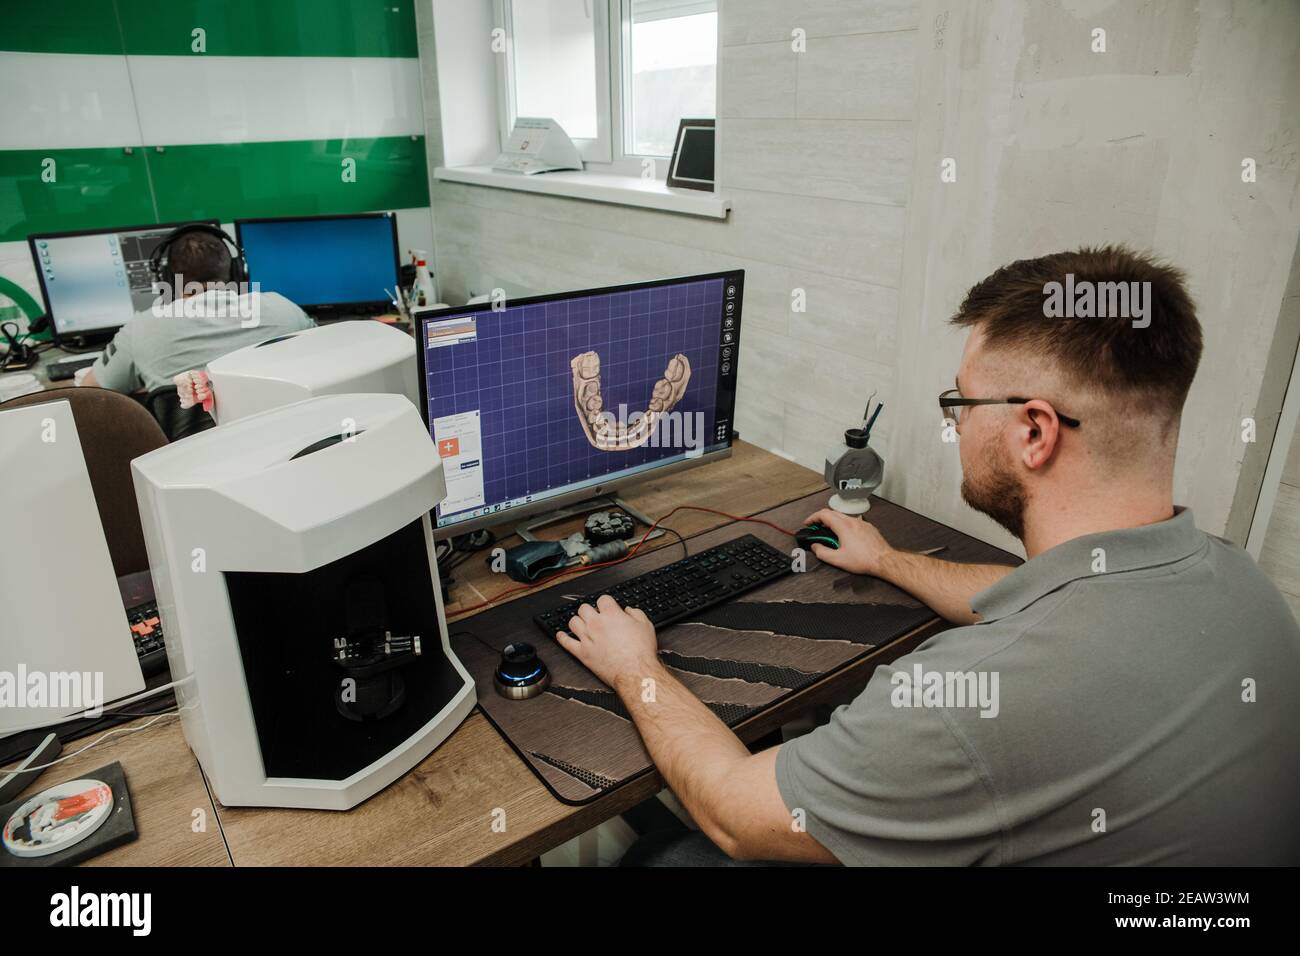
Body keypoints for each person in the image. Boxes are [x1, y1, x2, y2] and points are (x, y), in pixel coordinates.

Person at [559, 245, 1300, 866]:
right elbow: (1040, 595)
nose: (955, 425)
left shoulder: (965, 707)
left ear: (1034, 433)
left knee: (675, 855)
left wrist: (636, 668)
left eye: (963, 404)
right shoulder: (1244, 588)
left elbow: (728, 811)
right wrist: (886, 560)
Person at [82, 226, 313, 395]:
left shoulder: (140, 329)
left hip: (197, 457)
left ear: (168, 280)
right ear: (237, 272)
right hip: (288, 446)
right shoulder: (284, 308)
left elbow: (90, 392)